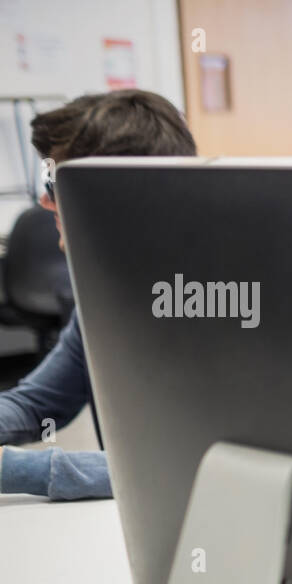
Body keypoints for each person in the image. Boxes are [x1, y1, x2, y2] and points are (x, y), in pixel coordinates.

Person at [0, 89, 196, 500]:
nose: (41, 200)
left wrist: (13, 469)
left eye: (54, 185)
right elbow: (34, 405)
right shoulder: (103, 292)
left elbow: (187, 468)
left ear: (113, 195)